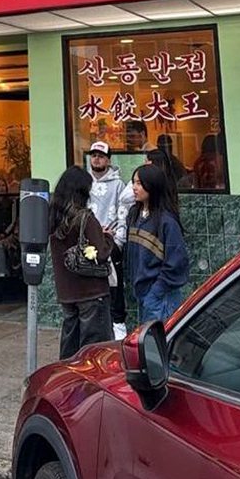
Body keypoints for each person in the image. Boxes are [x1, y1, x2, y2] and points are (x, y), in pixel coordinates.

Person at [49, 165, 114, 359]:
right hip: (91, 292)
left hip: (67, 292)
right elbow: (100, 253)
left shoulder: (52, 217)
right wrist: (107, 237)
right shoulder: (85, 218)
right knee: (93, 352)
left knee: (69, 349)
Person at [127, 165, 189, 321]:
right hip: (142, 293)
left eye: (139, 183)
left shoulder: (167, 222)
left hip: (161, 297)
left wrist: (156, 291)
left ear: (152, 185)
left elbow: (176, 262)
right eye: (133, 182)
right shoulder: (134, 215)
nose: (134, 187)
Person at [86, 142, 127, 340]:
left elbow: (123, 213)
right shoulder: (85, 183)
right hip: (88, 242)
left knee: (114, 284)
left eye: (101, 156)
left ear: (108, 160)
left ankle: (118, 324)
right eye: (93, 155)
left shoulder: (118, 185)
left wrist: (118, 241)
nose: (96, 159)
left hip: (110, 242)